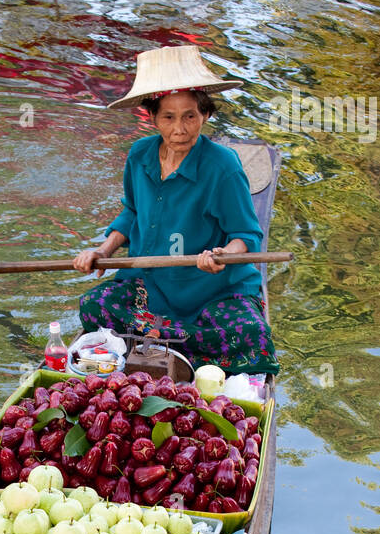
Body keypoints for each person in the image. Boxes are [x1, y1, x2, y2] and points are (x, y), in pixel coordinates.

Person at [74, 46, 279, 375]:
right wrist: (102, 250)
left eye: (190, 116)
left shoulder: (223, 167)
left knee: (249, 335)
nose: (179, 129)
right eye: (168, 117)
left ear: (206, 116)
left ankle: (163, 345)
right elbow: (132, 212)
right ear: (153, 117)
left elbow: (247, 235)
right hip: (151, 283)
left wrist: (223, 254)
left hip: (210, 290)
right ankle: (183, 348)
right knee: (95, 306)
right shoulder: (140, 155)